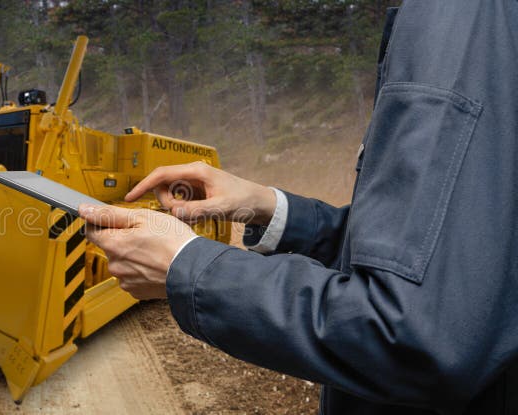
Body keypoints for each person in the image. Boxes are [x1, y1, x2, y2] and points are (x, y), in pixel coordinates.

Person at [78, 1, 518, 413]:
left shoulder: (458, 19)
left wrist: (187, 266)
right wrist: (267, 207)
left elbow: (413, 334)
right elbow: (447, 250)